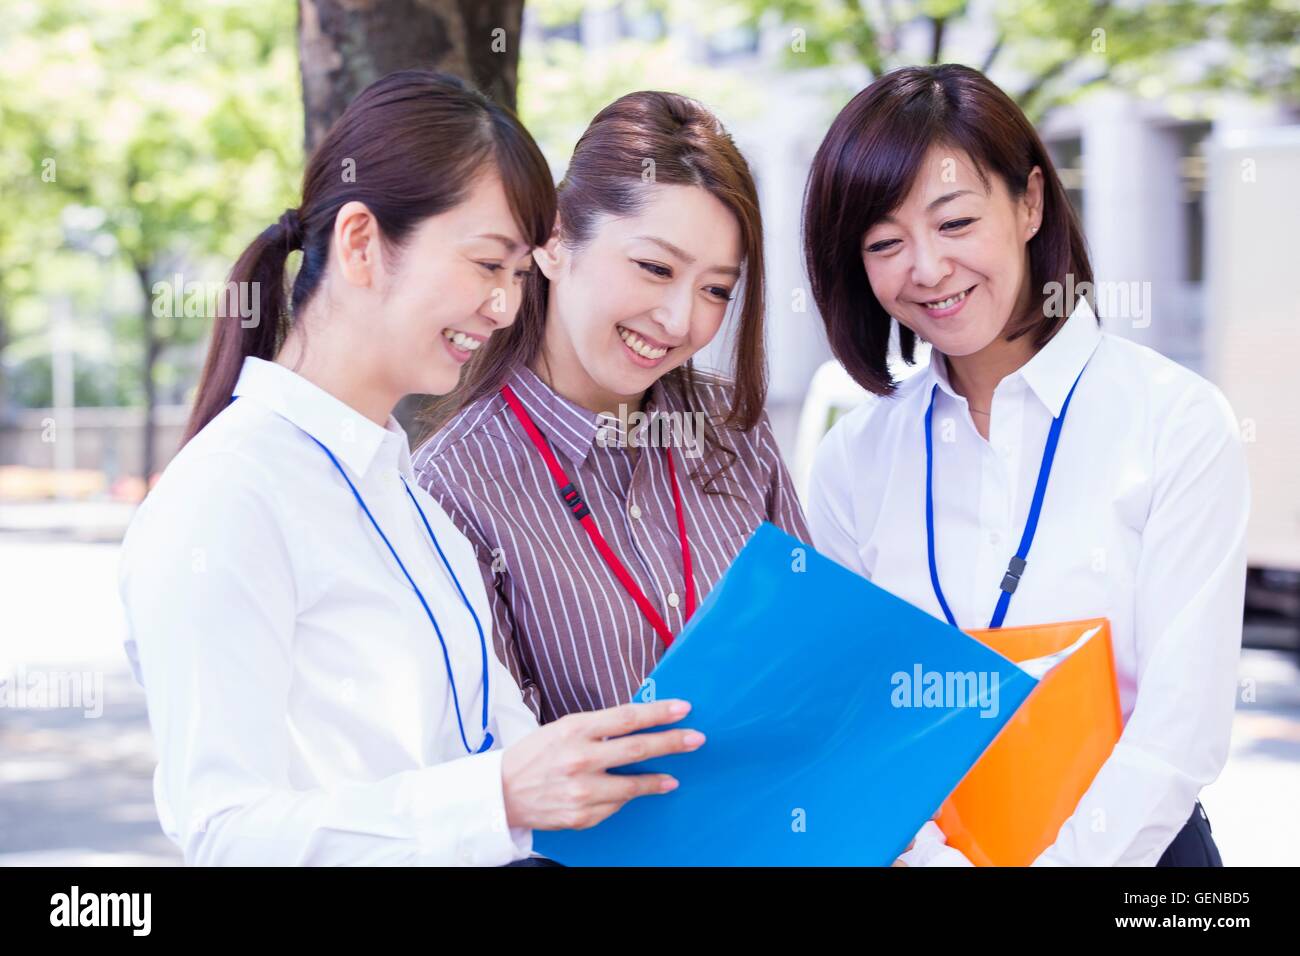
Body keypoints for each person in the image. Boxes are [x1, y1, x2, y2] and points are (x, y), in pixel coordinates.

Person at [118, 71, 704, 867]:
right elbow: (223, 831)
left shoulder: (411, 502)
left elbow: (513, 765)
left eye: (519, 277)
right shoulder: (228, 496)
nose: (504, 308)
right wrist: (494, 798)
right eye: (488, 265)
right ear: (361, 243)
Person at [802, 64, 1249, 866]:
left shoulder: (1174, 422)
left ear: (1030, 202)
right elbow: (851, 710)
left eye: (955, 221)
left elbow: (1179, 732)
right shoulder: (853, 458)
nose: (928, 268)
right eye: (884, 242)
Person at [411, 91, 810, 724]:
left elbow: (813, 653)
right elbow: (498, 768)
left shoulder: (732, 428)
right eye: (654, 267)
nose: (681, 319)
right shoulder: (453, 488)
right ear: (554, 241)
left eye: (715, 289)